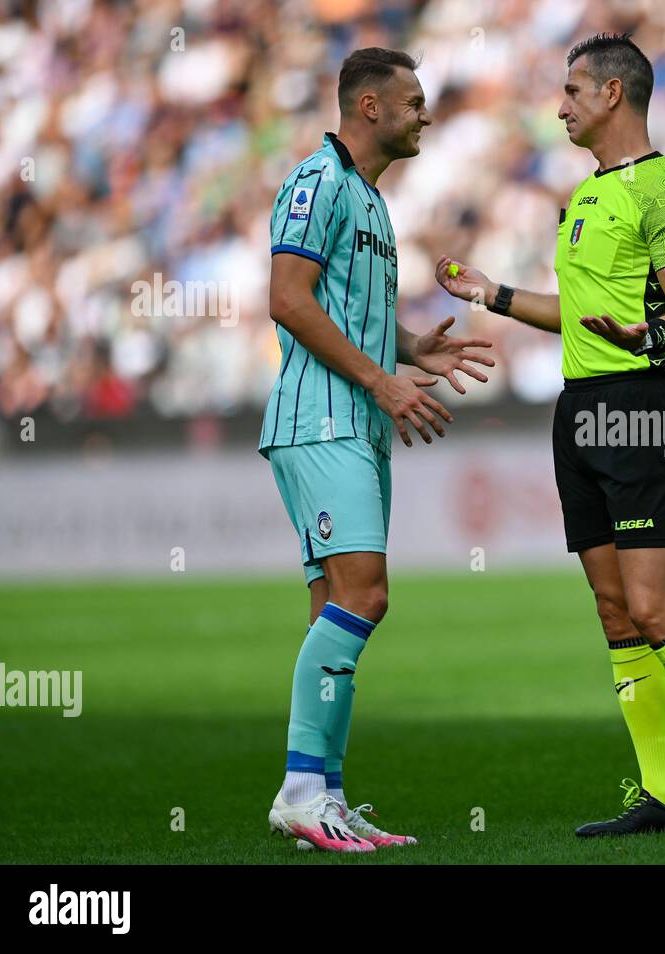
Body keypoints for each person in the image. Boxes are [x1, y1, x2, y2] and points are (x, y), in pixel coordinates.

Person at [436, 33, 665, 837]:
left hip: (642, 407)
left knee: (656, 608)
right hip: (578, 410)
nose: (561, 106)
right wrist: (494, 293)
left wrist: (641, 338)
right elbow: (575, 314)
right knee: (614, 611)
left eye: (574, 91)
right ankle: (660, 795)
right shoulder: (584, 195)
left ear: (614, 94)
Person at [262, 48, 493, 852]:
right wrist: (382, 382)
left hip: (350, 419)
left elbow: (338, 308)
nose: (425, 114)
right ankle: (298, 789)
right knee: (365, 598)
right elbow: (287, 300)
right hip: (322, 418)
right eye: (414, 102)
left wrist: (406, 352)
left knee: (336, 607)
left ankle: (324, 795)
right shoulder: (317, 183)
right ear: (369, 107)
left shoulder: (367, 199)